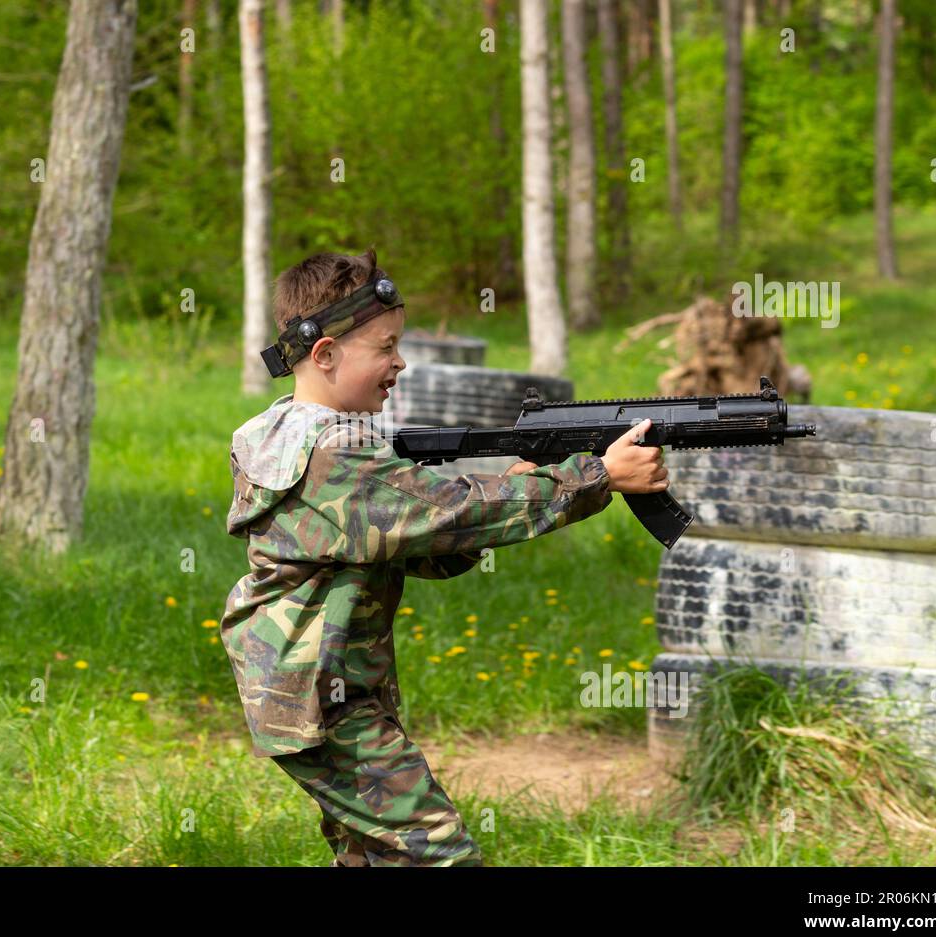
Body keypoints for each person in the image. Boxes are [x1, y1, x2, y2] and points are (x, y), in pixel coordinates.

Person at [219, 248, 668, 866]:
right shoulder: (331, 456)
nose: (400, 362)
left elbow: (424, 542)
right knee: (439, 854)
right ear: (324, 354)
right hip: (321, 697)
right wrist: (595, 475)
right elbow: (448, 514)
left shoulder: (295, 433)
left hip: (319, 686)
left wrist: (516, 482)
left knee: (373, 854)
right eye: (385, 347)